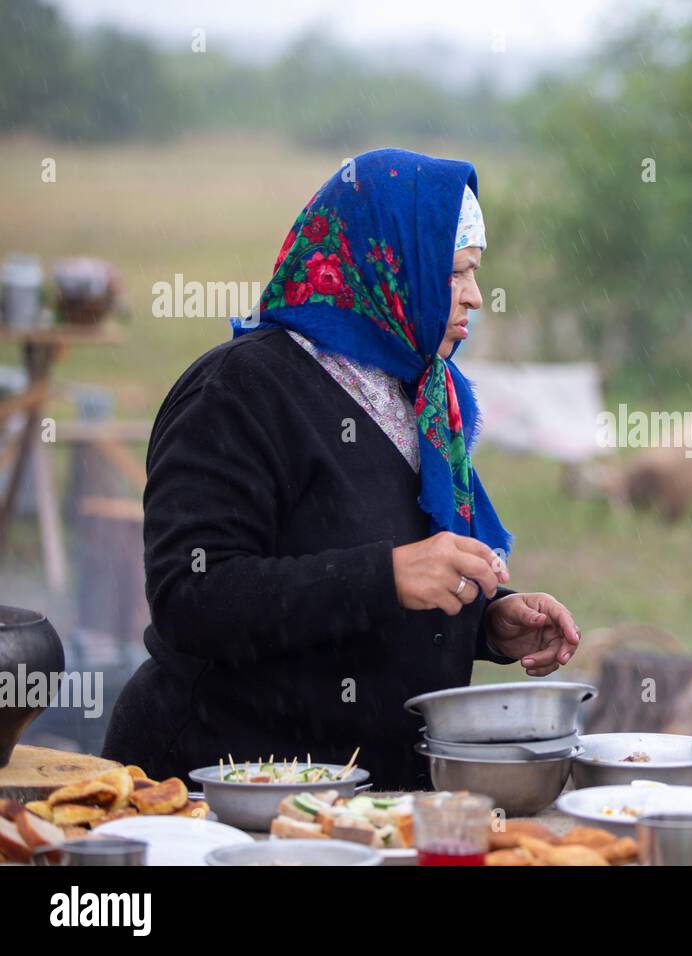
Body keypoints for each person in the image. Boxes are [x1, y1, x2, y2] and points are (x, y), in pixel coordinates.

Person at [104, 149, 581, 788]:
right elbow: (190, 597)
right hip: (221, 790)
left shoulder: (422, 394)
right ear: (391, 268)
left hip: (364, 798)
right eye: (454, 274)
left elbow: (397, 575)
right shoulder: (238, 391)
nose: (473, 296)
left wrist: (486, 620)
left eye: (474, 273)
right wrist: (386, 575)